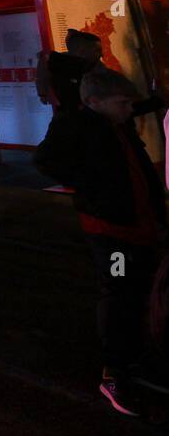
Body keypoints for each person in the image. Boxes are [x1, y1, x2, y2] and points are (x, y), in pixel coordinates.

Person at [34, 69, 168, 416]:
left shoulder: (113, 123)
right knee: (120, 294)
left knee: (136, 294)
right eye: (122, 103)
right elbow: (45, 160)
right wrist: (92, 188)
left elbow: (138, 170)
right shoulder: (77, 124)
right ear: (93, 102)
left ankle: (132, 362)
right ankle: (114, 371)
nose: (128, 109)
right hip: (110, 229)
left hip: (135, 225)